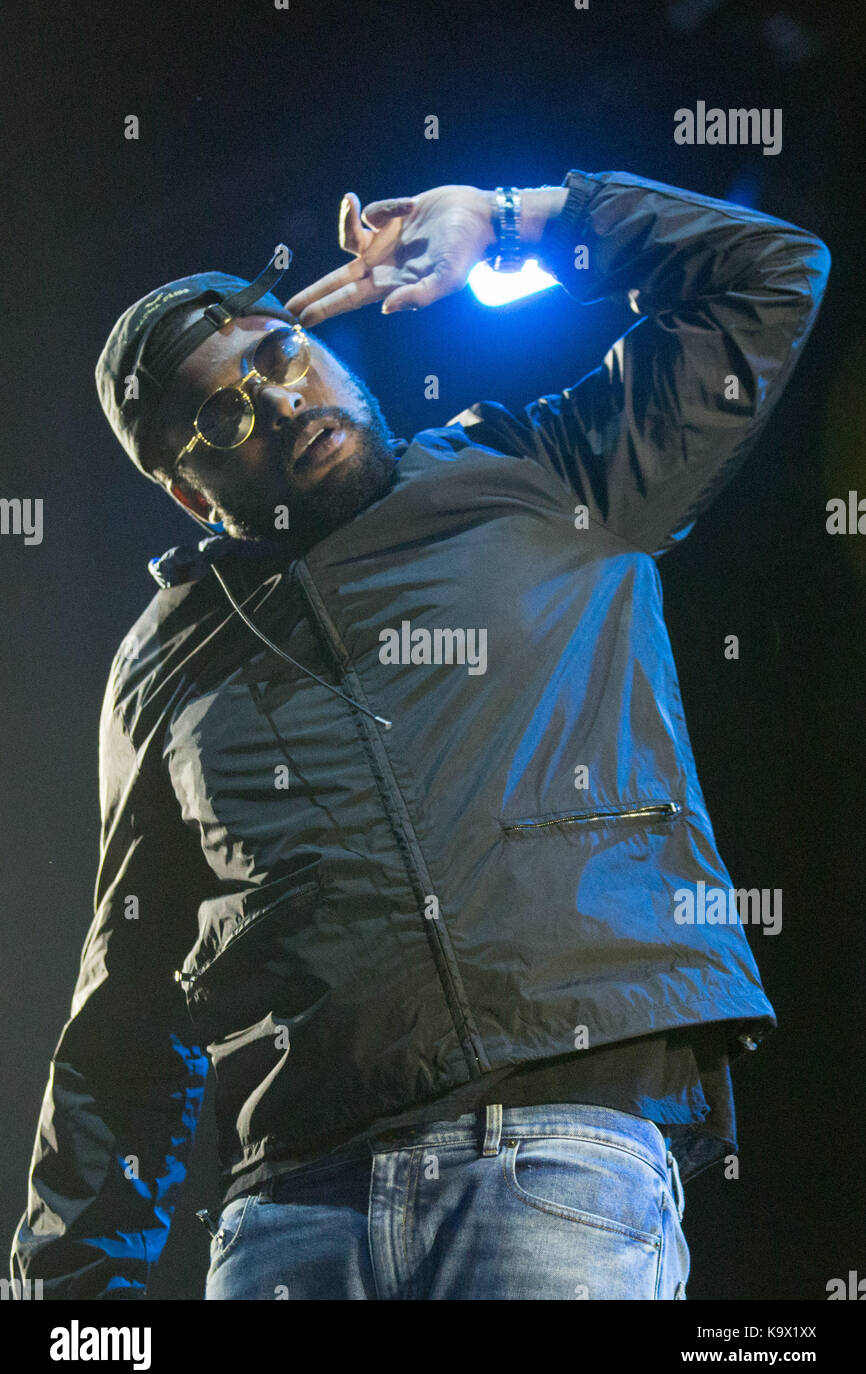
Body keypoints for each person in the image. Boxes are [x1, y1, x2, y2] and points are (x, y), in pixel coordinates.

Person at [10, 170, 829, 1301]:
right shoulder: (162, 668)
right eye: (226, 414)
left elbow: (770, 277)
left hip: (550, 1162)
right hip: (286, 1218)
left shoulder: (543, 474)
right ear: (193, 496)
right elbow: (127, 1007)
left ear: (325, 346)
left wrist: (510, 218)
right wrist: (67, 1304)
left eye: (277, 357)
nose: (281, 402)